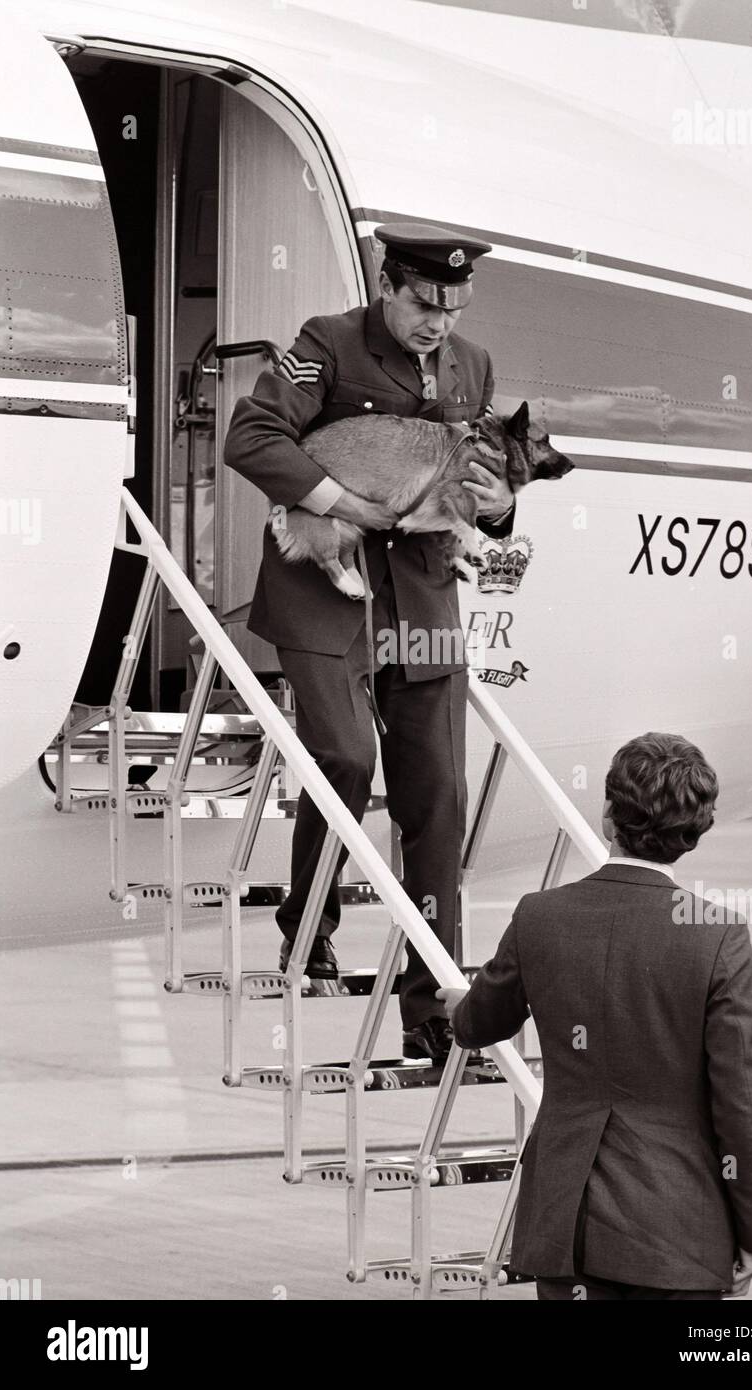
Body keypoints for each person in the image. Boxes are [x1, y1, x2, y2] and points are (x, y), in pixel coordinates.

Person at [223, 223, 516, 1063]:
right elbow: (252, 438)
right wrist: (345, 506)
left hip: (421, 600)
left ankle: (432, 1004)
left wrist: (496, 506)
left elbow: (482, 480)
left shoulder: (475, 366)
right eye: (424, 304)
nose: (438, 323)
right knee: (344, 761)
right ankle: (308, 923)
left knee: (437, 798)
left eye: (453, 307)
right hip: (326, 595)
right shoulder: (325, 344)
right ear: (388, 285)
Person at [438, 732, 752, 1299]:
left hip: (566, 1227)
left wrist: (457, 1002)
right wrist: (749, 1230)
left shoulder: (541, 914)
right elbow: (741, 1104)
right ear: (691, 836)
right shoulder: (718, 935)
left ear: (606, 816)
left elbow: (479, 1025)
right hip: (677, 1235)